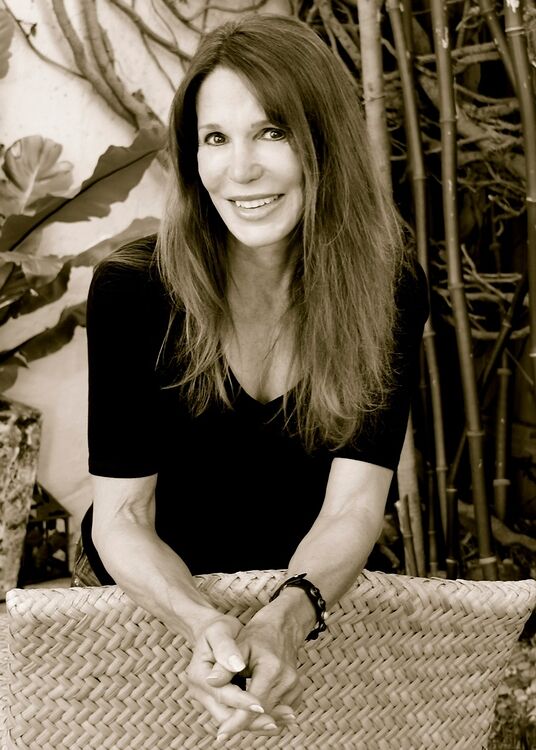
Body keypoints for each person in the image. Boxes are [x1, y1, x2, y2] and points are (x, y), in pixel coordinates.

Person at [72, 12, 429, 743]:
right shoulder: (135, 290)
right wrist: (203, 624)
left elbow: (355, 505)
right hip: (150, 595)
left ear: (324, 142)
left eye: (272, 132)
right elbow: (123, 516)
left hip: (307, 589)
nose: (240, 171)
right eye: (215, 138)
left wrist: (286, 618)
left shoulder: (388, 286)